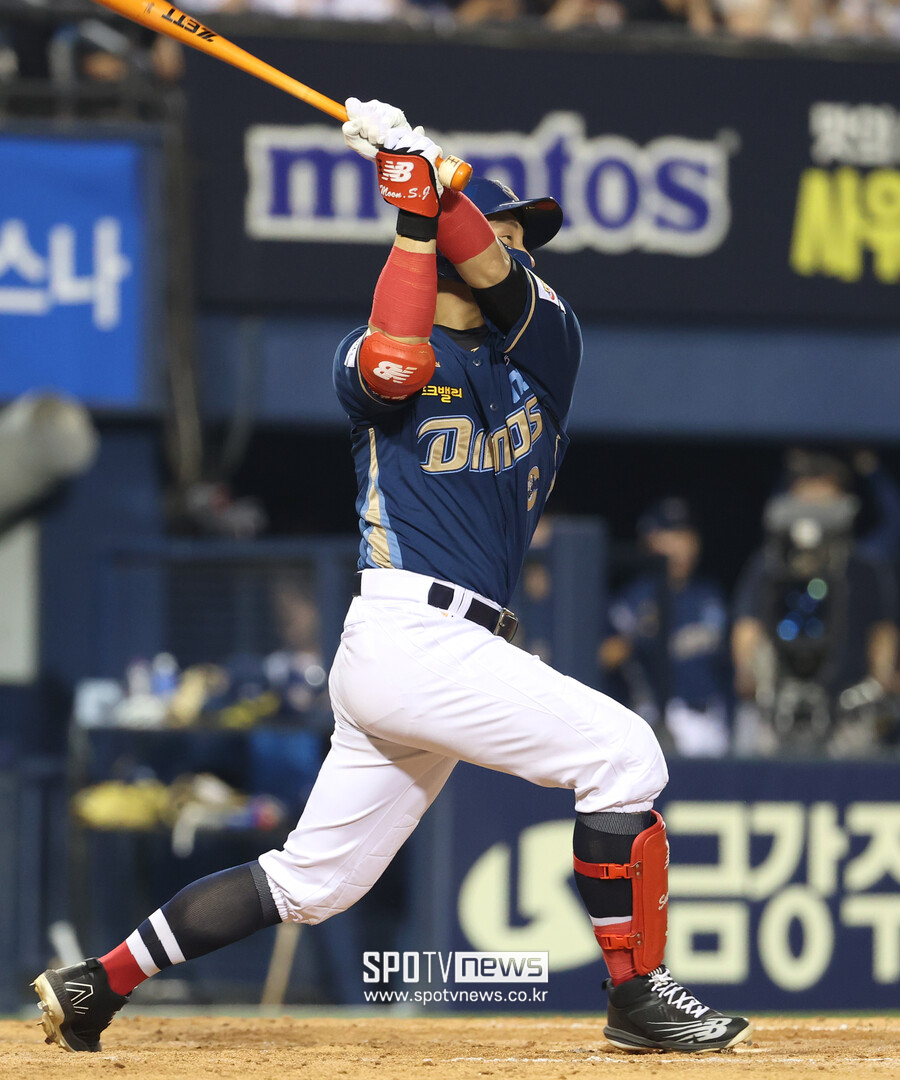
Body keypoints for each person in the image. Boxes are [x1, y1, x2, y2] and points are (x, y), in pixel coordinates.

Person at [33, 99, 751, 1055]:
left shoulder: (548, 349)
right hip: (411, 635)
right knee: (626, 758)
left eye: (520, 236)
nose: (516, 248)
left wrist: (429, 175)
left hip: (443, 651)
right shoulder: (372, 347)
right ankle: (637, 999)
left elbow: (492, 273)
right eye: (500, 227)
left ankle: (97, 983)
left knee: (310, 884)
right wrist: (417, 213)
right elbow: (395, 364)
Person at [731, 450, 899, 754]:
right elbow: (748, 627)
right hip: (779, 707)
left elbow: (882, 634)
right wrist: (749, 675)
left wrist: (879, 683)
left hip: (847, 708)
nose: (813, 511)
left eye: (824, 500)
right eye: (805, 499)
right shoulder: (768, 564)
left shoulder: (866, 567)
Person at [601, 497, 731, 757]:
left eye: (686, 534)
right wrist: (637, 636)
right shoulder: (633, 599)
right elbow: (604, 658)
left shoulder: (709, 596)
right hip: (655, 718)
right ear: (650, 539)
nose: (681, 545)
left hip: (710, 720)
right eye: (670, 534)